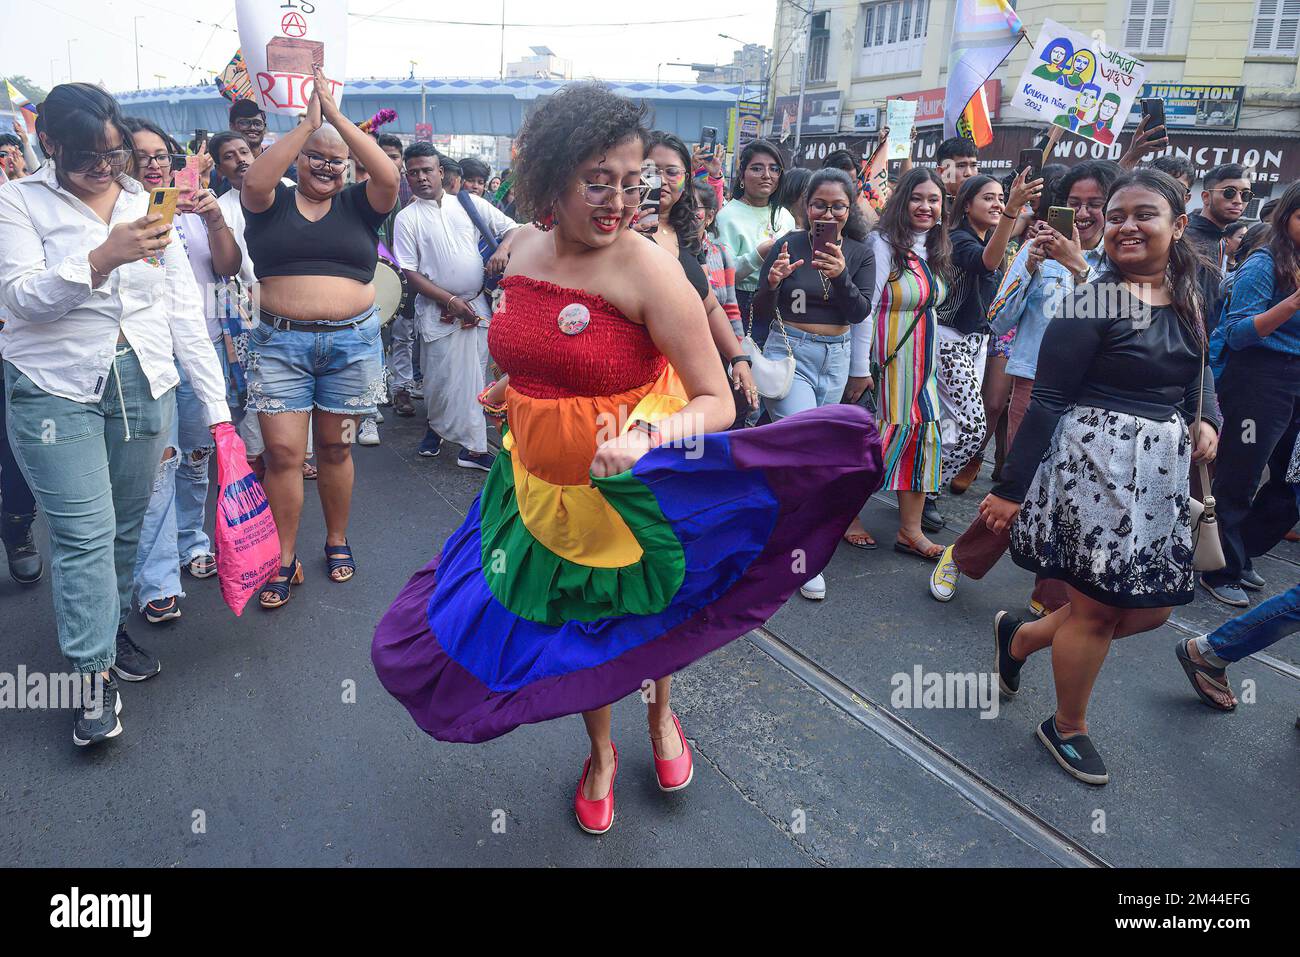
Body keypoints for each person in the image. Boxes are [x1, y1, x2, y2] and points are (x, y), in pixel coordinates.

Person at [371, 83, 880, 836]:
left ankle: (663, 716)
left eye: (632, 184)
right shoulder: (516, 250)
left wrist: (645, 439)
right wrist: (515, 390)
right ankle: (602, 752)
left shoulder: (648, 268)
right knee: (577, 629)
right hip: (535, 486)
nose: (617, 202)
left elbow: (717, 401)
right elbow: (529, 349)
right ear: (548, 179)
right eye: (596, 183)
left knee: (637, 623)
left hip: (627, 490)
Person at [0, 83, 231, 746]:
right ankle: (89, 673)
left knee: (126, 527)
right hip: (56, 387)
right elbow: (22, 300)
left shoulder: (145, 201)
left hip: (147, 380)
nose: (105, 170)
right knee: (82, 533)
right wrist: (102, 257)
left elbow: (182, 308)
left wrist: (214, 406)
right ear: (48, 143)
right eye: (87, 160)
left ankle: (105, 629)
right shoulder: (16, 202)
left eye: (115, 154)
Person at [979, 169, 1219, 785]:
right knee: (1096, 609)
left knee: (1149, 610)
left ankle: (1022, 637)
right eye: (1116, 216)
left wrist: (1209, 417)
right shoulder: (1092, 298)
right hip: (1095, 464)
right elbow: (1050, 400)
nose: (1126, 226)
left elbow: (1200, 364)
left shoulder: (1194, 289)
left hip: (1160, 470)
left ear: (1179, 225)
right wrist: (1008, 488)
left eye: (1145, 214)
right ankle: (1067, 726)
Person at [240, 67, 398, 610]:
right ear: (300, 157)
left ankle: (336, 538)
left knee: (336, 446)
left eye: (337, 160)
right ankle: (283, 557)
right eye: (316, 156)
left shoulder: (361, 204)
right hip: (278, 346)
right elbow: (256, 180)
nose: (326, 166)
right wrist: (306, 126)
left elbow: (388, 177)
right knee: (283, 453)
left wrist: (335, 120)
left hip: (352, 347)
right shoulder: (270, 204)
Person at [930, 160, 1117, 607]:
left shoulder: (1121, 259)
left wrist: (1079, 270)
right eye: (1075, 203)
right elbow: (998, 319)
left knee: (1075, 494)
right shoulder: (1037, 252)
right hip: (1037, 388)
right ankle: (960, 556)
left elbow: (1131, 322)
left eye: (1095, 204)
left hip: (1100, 396)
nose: (1085, 213)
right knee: (1023, 484)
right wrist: (1030, 271)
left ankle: (1047, 593)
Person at [124, 118, 243, 623]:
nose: (155, 164)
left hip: (204, 349)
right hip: (147, 357)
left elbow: (229, 269)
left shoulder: (194, 209)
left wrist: (215, 220)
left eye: (163, 156)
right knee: (159, 466)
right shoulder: (120, 215)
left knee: (196, 457)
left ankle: (193, 540)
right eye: (142, 155)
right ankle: (155, 578)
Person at [755, 167, 873, 599]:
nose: (828, 212)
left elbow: (859, 312)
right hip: (790, 353)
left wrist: (841, 275)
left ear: (849, 208)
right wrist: (771, 284)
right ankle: (802, 557)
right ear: (806, 206)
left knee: (810, 455)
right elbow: (762, 309)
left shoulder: (860, 252)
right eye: (820, 204)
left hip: (836, 359)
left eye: (838, 205)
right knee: (809, 450)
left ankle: (775, 523)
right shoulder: (787, 245)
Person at [1201, 180, 1300, 608]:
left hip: (1295, 380)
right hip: (1257, 379)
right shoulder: (1265, 263)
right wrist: (1292, 304)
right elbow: (1238, 333)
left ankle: (1239, 550)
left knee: (1287, 482)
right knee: (1239, 475)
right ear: (1287, 216)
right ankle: (1217, 566)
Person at [395, 142, 519, 468]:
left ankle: (474, 449)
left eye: (427, 170)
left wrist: (502, 251)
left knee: (475, 378)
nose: (421, 177)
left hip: (476, 306)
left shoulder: (469, 203)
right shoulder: (406, 218)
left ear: (441, 172)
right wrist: (449, 300)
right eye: (414, 172)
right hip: (439, 313)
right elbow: (409, 271)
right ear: (407, 176)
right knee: (439, 382)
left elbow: (513, 230)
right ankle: (437, 430)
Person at [846, 167, 950, 559]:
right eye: (917, 198)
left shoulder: (934, 247)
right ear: (902, 200)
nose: (925, 206)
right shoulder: (882, 244)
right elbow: (865, 310)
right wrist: (860, 368)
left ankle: (910, 531)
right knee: (879, 442)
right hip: (888, 366)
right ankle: (845, 516)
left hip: (922, 366)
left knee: (923, 440)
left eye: (934, 199)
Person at [933, 170, 1041, 508]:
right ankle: (926, 488)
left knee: (951, 427)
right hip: (949, 341)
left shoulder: (987, 237)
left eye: (1000, 197)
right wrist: (1011, 209)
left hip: (977, 343)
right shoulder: (958, 239)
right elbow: (986, 262)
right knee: (973, 428)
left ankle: (924, 493)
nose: (997, 203)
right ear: (967, 204)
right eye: (988, 198)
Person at [640, 131, 756, 430]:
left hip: (687, 377)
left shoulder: (687, 234)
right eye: (650, 171)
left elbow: (710, 305)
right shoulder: (619, 233)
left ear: (686, 178)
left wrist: (738, 357)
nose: (662, 180)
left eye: (672, 172)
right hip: (637, 381)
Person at [715, 140, 796, 345]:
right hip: (742, 303)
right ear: (742, 175)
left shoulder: (785, 216)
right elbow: (722, 275)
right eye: (757, 168)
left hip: (781, 302)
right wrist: (758, 255)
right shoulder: (727, 216)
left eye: (774, 169)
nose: (766, 175)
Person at [1187, 163, 1250, 271]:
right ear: (1206, 197)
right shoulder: (1185, 238)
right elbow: (1148, 282)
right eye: (1229, 192)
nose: (1238, 201)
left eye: (1245, 194)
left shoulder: (1220, 241)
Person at [935, 136, 979, 207]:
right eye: (961, 166)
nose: (968, 173)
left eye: (973, 165)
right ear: (942, 172)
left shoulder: (983, 208)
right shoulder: (932, 209)